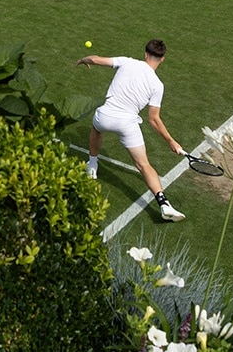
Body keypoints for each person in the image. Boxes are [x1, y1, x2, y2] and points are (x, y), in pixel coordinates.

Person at [77, 39, 186, 221]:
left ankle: (92, 166)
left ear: (145, 54)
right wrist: (170, 141)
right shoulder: (158, 86)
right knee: (144, 165)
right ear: (162, 59)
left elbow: (96, 59)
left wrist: (84, 59)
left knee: (96, 129)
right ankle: (164, 204)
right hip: (127, 124)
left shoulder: (127, 61)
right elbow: (154, 119)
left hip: (105, 117)